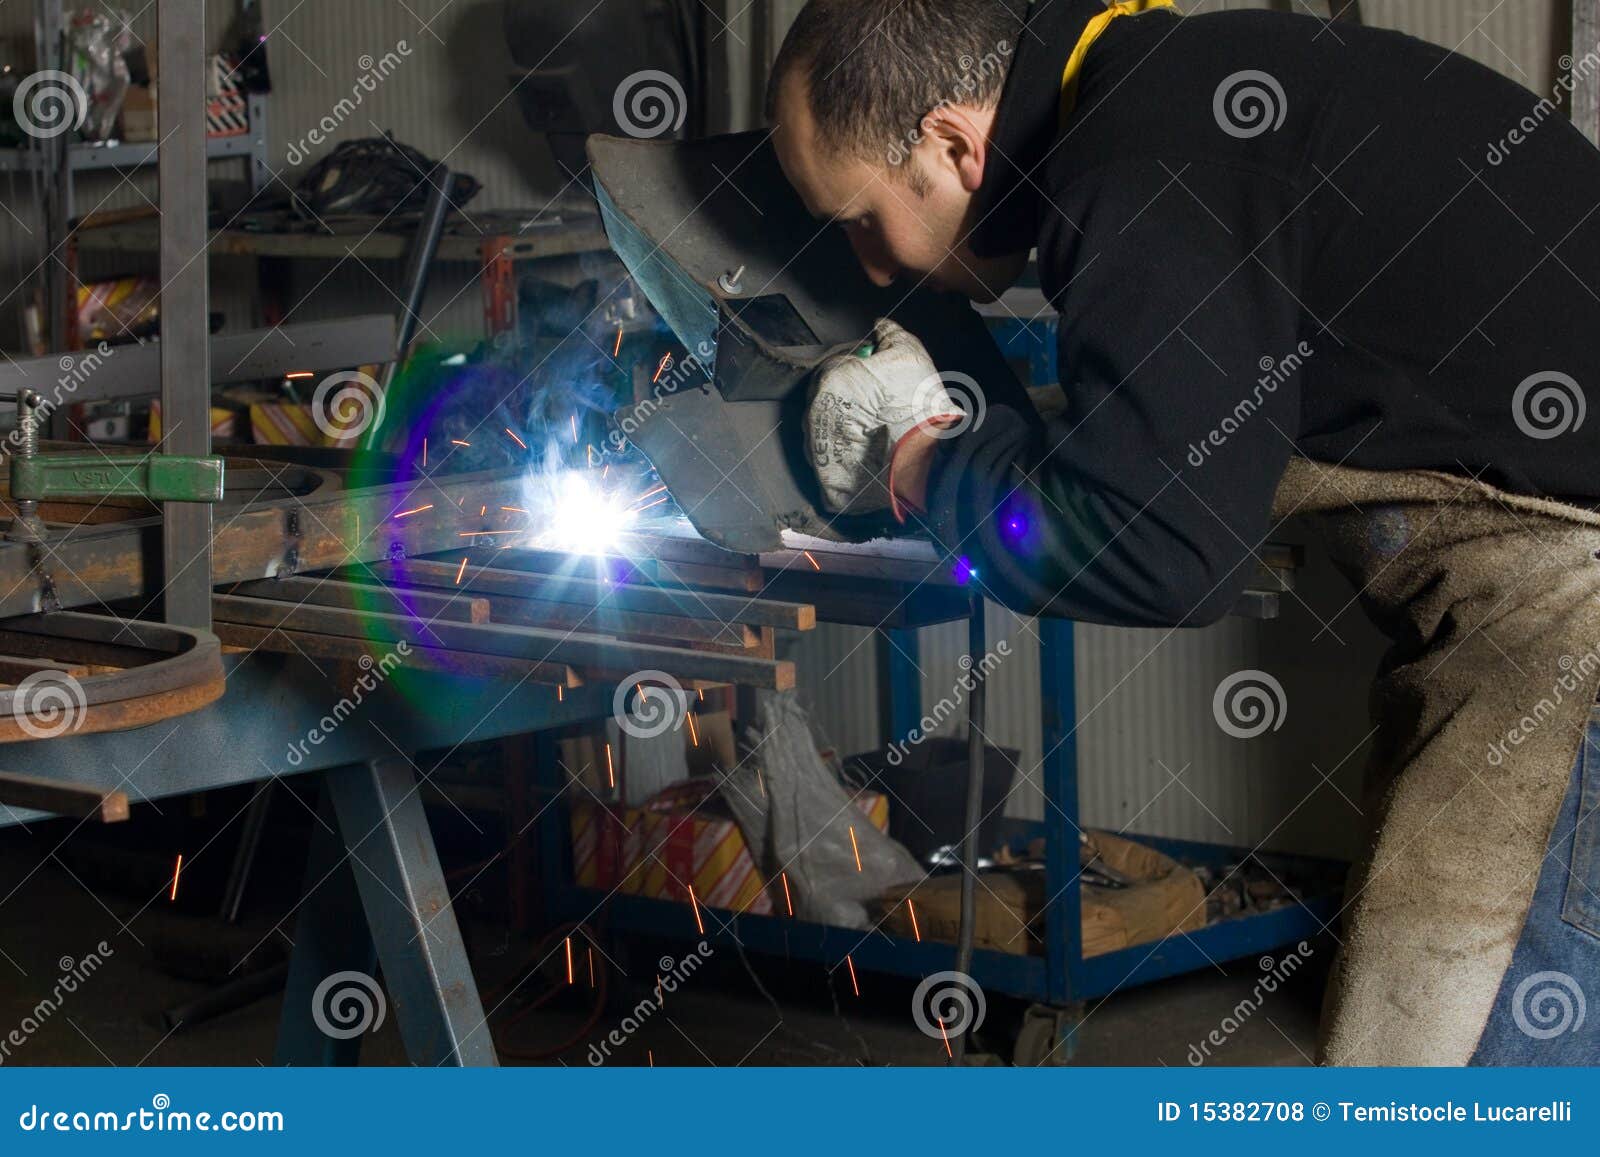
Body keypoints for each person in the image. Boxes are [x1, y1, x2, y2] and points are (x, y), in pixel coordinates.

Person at [769, 0, 1600, 1065]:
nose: (872, 269)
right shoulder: (1162, 97)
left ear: (950, 145)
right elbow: (1176, 424)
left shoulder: (1141, 167)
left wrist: (923, 465)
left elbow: (1161, 548)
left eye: (858, 220)